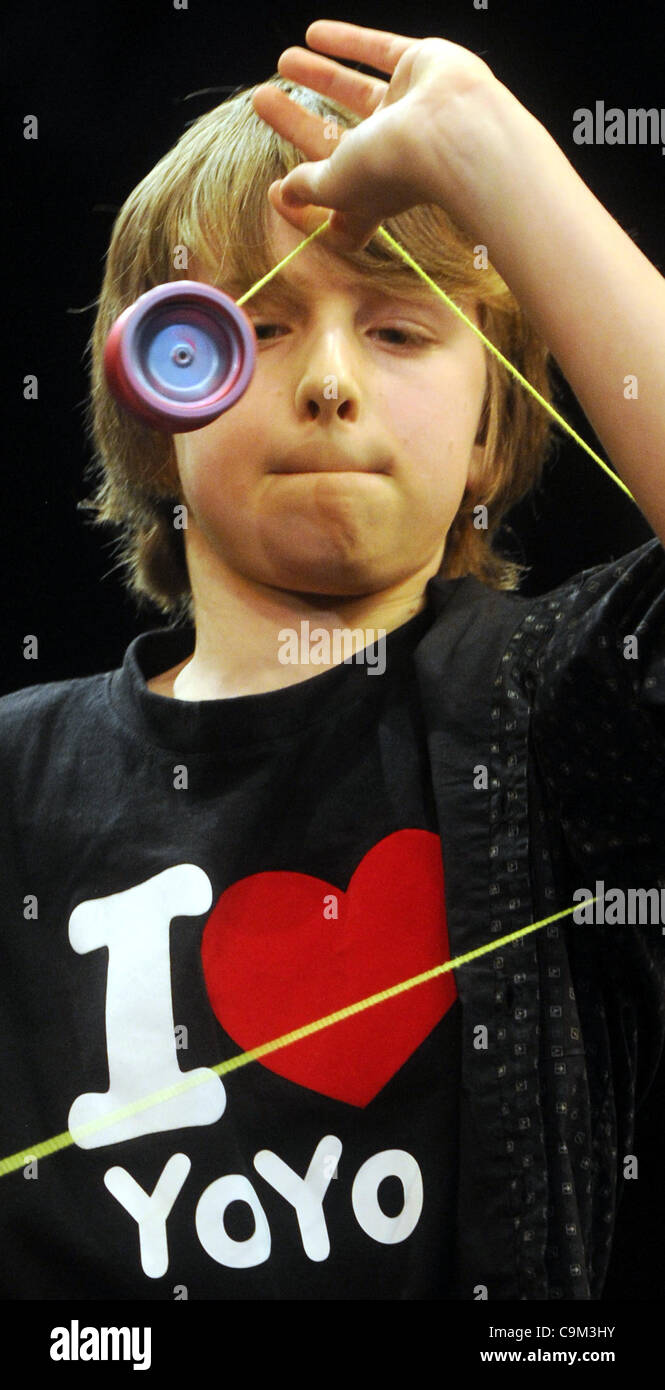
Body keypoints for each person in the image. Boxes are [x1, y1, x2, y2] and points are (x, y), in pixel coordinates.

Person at [1, 19, 664, 1301]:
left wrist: (492, 155)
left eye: (402, 332)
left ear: (494, 425)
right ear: (152, 381)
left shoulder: (553, 711)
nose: (328, 386)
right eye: (255, 327)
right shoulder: (17, 780)